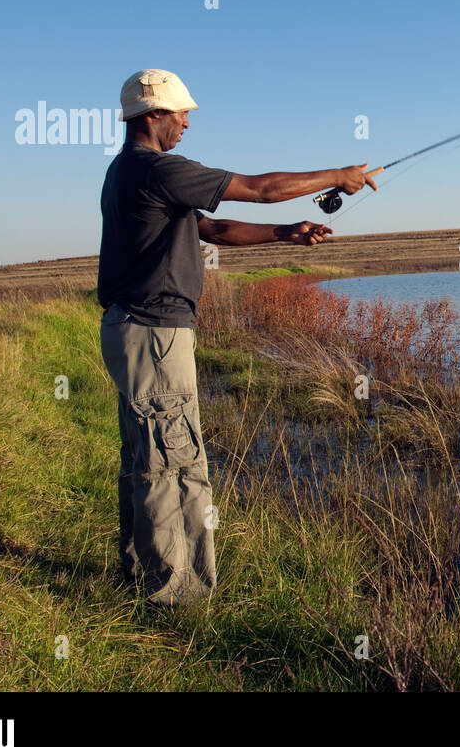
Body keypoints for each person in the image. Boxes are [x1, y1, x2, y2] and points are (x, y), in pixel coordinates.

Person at [97, 68, 376, 606]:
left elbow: (213, 229)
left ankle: (137, 573)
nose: (186, 124)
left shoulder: (124, 172)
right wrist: (338, 175)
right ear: (153, 115)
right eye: (181, 114)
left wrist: (287, 235)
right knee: (174, 462)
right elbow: (261, 189)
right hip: (155, 334)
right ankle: (179, 596)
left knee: (143, 456)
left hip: (133, 329)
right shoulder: (158, 169)